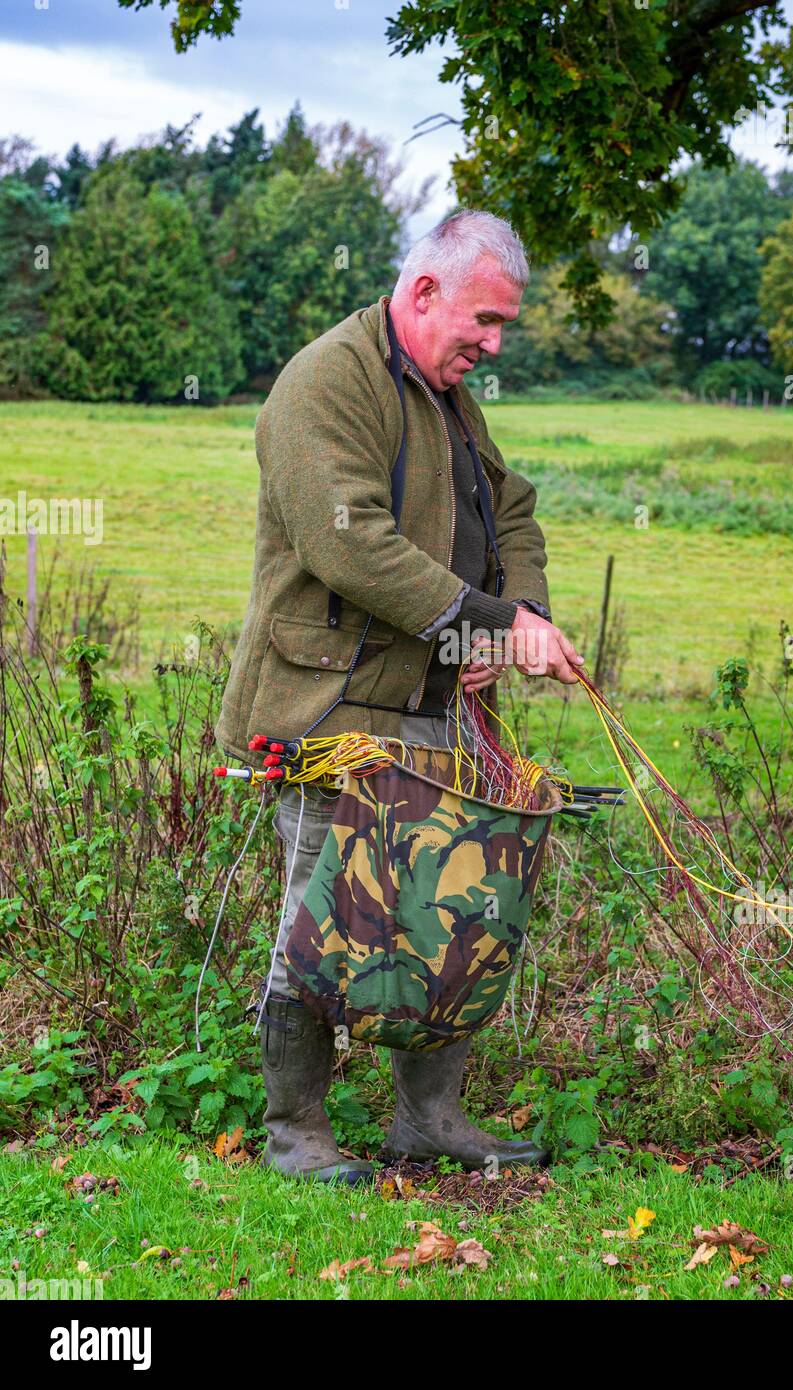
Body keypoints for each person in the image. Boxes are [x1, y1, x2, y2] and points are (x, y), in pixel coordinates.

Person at [216, 209, 584, 1185]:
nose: (494, 343)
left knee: (454, 912)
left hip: (435, 707)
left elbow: (512, 508)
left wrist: (520, 608)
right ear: (424, 292)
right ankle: (296, 1134)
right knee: (321, 921)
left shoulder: (450, 392)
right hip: (327, 706)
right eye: (487, 320)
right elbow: (349, 545)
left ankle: (428, 1120)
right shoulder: (325, 382)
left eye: (505, 325)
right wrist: (488, 624)